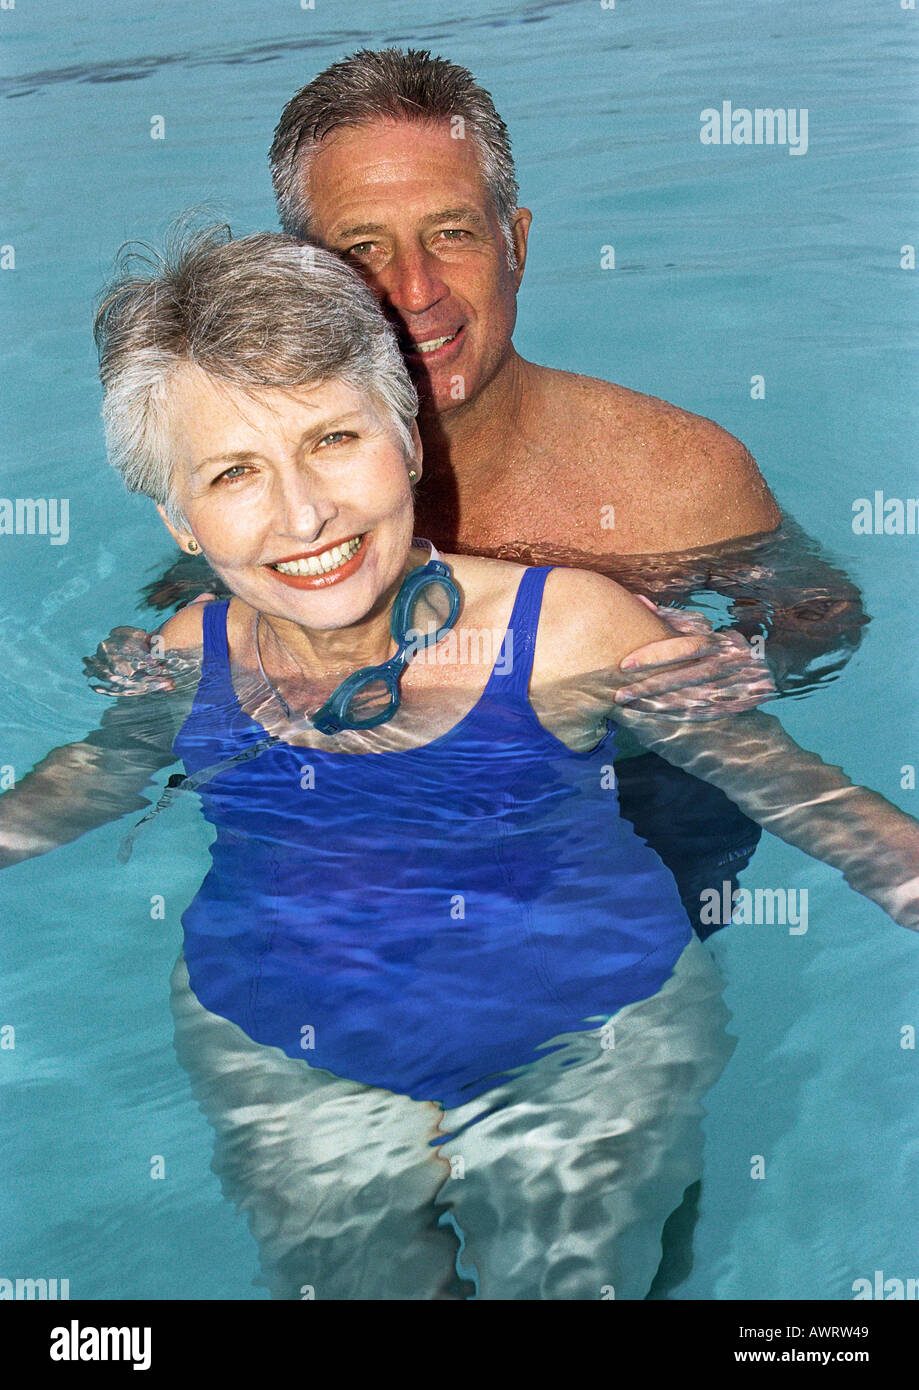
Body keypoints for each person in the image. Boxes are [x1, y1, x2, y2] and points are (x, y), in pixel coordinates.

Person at [3, 228, 916, 1299]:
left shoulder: (570, 629)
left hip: (589, 1046)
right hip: (279, 1048)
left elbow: (802, 794)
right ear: (178, 516)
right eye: (235, 471)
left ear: (408, 439)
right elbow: (96, 778)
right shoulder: (186, 652)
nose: (304, 513)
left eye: (334, 438)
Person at [85, 49, 867, 936]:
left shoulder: (678, 475)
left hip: (640, 799)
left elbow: (822, 613)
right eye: (361, 248)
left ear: (516, 245)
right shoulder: (282, 495)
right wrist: (141, 671)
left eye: (451, 232)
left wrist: (739, 655)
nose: (413, 292)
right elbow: (219, 619)